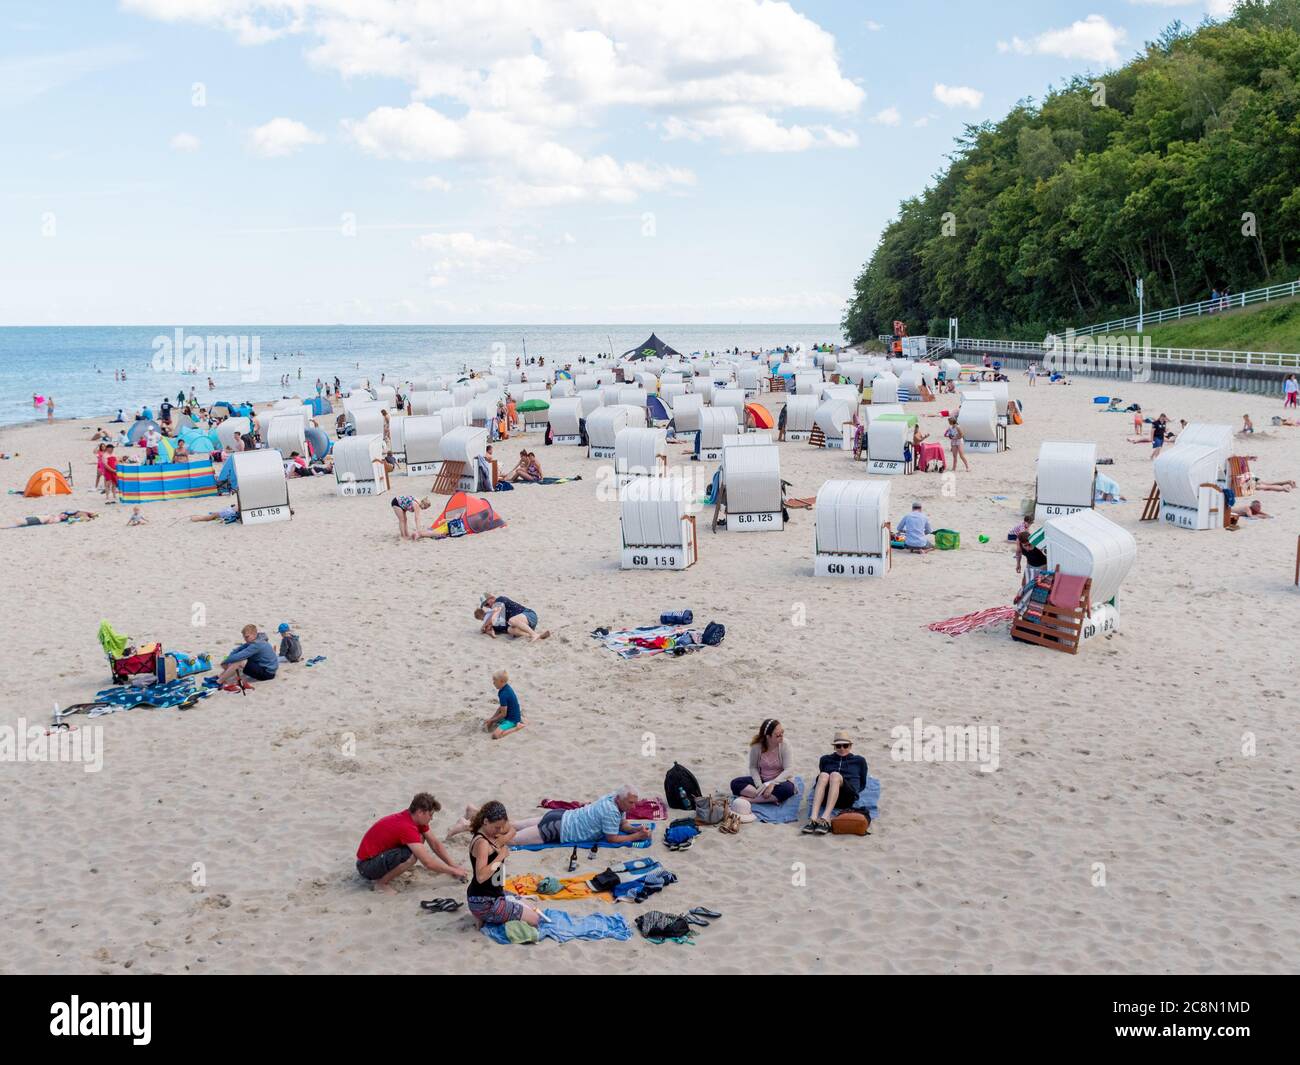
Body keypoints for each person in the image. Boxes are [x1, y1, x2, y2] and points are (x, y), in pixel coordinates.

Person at [449, 787, 650, 846]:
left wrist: (635, 829)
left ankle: (474, 812)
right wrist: (635, 837)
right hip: (557, 829)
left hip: (560, 816)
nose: (634, 806)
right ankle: (467, 825)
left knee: (513, 824)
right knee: (511, 839)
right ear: (622, 800)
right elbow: (612, 838)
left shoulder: (613, 797)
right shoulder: (610, 810)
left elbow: (622, 824)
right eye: (631, 802)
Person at [356, 792, 468, 893]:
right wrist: (453, 870)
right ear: (420, 812)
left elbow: (435, 843)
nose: (431, 818)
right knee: (411, 856)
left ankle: (389, 873)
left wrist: (454, 867)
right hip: (366, 866)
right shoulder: (407, 827)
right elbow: (427, 863)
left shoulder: (413, 818)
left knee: (420, 838)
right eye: (430, 814)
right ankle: (381, 883)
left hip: (375, 857)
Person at [465, 802, 543, 928]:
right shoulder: (482, 843)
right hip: (484, 901)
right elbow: (481, 876)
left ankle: (484, 917)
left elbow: (512, 829)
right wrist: (500, 856)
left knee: (534, 909)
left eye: (501, 827)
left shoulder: (494, 831)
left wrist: (504, 838)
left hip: (496, 893)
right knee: (535, 920)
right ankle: (482, 915)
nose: (500, 830)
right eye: (497, 828)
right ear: (485, 821)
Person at [804, 731, 870, 834]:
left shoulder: (859, 761)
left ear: (850, 746)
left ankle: (825, 819)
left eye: (845, 745)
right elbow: (822, 777)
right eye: (839, 746)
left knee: (834, 775)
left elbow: (862, 783)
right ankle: (813, 819)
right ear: (834, 747)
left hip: (847, 797)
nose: (842, 748)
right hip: (827, 797)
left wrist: (846, 785)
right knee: (823, 775)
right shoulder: (825, 759)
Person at [730, 719, 797, 807]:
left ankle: (750, 800)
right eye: (778, 735)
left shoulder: (785, 744)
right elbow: (753, 767)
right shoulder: (757, 746)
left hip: (779, 782)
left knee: (788, 789)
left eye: (782, 732)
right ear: (768, 736)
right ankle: (768, 798)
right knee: (735, 783)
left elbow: (789, 769)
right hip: (762, 780)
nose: (782, 736)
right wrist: (759, 785)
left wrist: (772, 784)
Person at [475, 594, 550, 641]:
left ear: (492, 598)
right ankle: (537, 636)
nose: (488, 606)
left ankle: (534, 634)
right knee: (510, 630)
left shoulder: (500, 599)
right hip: (524, 625)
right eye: (485, 606)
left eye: (487, 604)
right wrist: (488, 630)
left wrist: (484, 625)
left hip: (529, 615)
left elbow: (494, 614)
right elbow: (492, 630)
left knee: (512, 620)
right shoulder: (498, 619)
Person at [484, 670, 525, 739]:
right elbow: (501, 708)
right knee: (490, 722)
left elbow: (503, 714)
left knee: (495, 736)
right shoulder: (505, 688)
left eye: (495, 681)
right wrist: (492, 719)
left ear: (501, 681)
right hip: (509, 715)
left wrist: (492, 720)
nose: (493, 683)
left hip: (512, 719)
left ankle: (517, 728)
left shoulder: (503, 694)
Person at [10, 510, 98, 528]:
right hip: (44, 517)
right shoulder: (75, 512)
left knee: (19, 522)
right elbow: (92, 514)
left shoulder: (72, 516)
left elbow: (88, 518)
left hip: (43, 519)